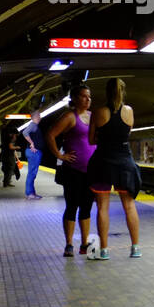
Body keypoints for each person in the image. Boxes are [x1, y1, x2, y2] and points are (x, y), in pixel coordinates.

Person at [86, 77, 142, 259]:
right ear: (122, 91)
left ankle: (103, 251)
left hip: (103, 162)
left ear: (106, 92)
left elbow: (91, 140)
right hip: (125, 163)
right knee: (129, 205)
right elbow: (126, 134)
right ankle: (135, 248)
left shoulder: (98, 112)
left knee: (102, 207)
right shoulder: (130, 112)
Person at [46, 83, 96, 256]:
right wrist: (60, 156)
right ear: (75, 98)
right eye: (83, 96)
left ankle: (84, 243)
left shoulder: (93, 117)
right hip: (73, 170)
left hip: (91, 170)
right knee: (72, 206)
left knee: (87, 207)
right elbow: (50, 135)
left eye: (89, 96)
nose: (88, 99)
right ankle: (69, 244)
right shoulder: (70, 117)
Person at [21, 109, 44, 200]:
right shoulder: (33, 125)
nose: (40, 117)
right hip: (33, 152)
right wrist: (32, 143)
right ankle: (29, 193)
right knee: (32, 173)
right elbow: (24, 132)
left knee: (32, 173)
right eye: (39, 115)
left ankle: (32, 193)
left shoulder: (34, 125)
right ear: (35, 117)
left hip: (34, 152)